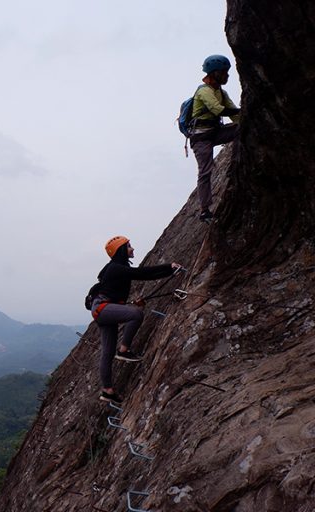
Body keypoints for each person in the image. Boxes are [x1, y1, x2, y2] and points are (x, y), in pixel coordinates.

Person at [89, 236, 182, 403]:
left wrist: (168, 271)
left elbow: (137, 278)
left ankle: (107, 391)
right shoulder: (116, 268)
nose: (132, 249)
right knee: (135, 314)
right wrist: (169, 267)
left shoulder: (117, 268)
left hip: (104, 308)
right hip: (103, 308)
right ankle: (124, 350)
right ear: (121, 250)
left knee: (107, 352)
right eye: (129, 246)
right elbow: (142, 274)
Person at [190, 54, 241, 222]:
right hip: (201, 138)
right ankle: (205, 211)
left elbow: (234, 114)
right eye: (223, 72)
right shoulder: (204, 91)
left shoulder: (221, 91)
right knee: (205, 171)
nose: (227, 75)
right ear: (213, 73)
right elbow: (218, 110)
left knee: (242, 128)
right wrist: (244, 110)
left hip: (215, 132)